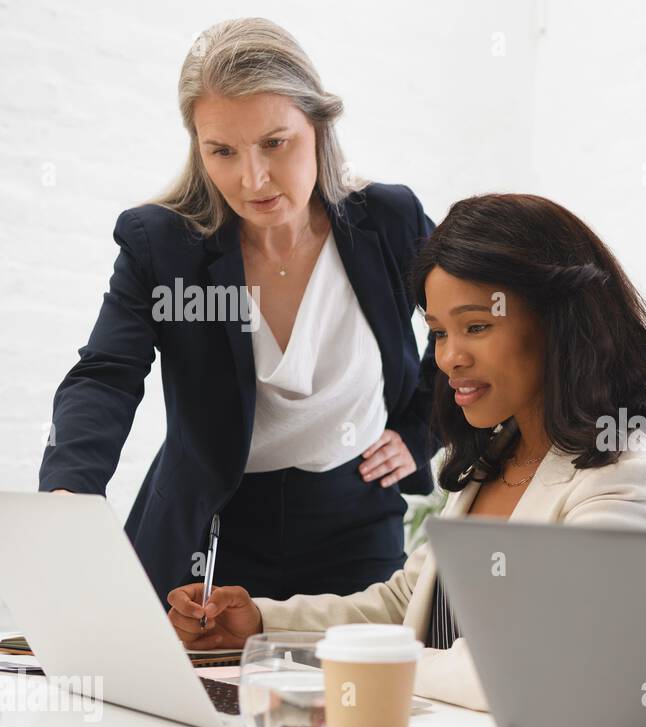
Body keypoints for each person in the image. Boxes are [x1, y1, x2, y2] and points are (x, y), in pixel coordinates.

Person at [165, 193, 646, 711]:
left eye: (476, 326)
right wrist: (260, 624)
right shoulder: (497, 459)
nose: (449, 358)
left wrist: (358, 662)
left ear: (561, 325)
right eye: (438, 332)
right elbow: (405, 606)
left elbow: (530, 669)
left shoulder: (627, 480)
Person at [38, 18, 440, 602]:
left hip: (354, 522)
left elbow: (468, 326)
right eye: (221, 151)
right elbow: (106, 373)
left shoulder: (389, 220)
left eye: (275, 143)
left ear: (319, 126)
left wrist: (419, 429)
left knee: (348, 690)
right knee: (184, 693)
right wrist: (69, 492)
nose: (252, 178)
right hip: (210, 524)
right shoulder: (163, 244)